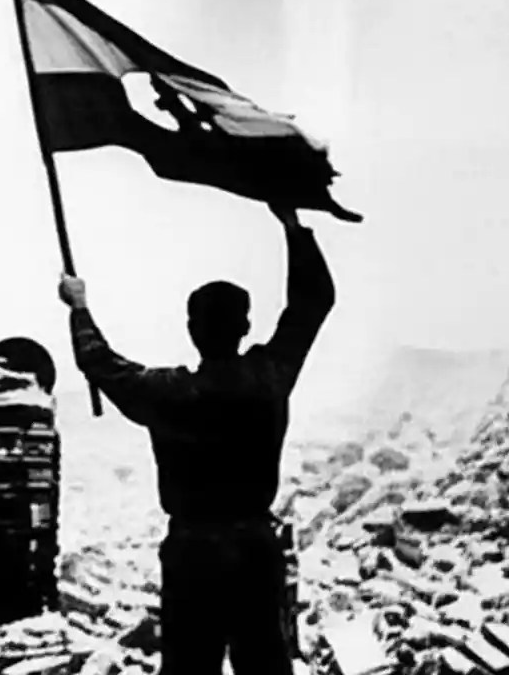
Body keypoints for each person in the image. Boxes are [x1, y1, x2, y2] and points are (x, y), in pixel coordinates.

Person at [58, 204, 335, 675]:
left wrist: (79, 306)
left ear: (192, 329)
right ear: (245, 327)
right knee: (265, 664)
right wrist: (292, 227)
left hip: (194, 554)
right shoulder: (268, 378)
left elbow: (99, 361)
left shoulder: (168, 393)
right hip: (253, 549)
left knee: (189, 667)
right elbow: (312, 302)